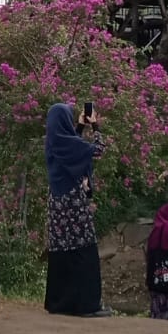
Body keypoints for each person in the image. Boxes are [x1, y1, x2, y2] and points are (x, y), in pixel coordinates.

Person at [43, 102, 110, 317]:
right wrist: (95, 125)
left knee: (63, 252)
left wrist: (80, 128)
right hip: (73, 202)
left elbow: (73, 153)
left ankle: (61, 303)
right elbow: (98, 150)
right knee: (84, 250)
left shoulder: (53, 141)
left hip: (56, 203)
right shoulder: (68, 143)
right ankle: (87, 305)